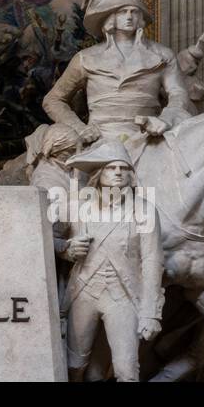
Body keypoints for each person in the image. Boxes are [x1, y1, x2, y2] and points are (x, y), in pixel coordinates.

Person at [42, 0, 190, 162]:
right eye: (122, 11)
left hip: (149, 140)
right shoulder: (85, 58)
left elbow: (179, 93)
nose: (129, 17)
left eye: (133, 11)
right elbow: (53, 100)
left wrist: (166, 119)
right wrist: (79, 128)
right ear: (109, 15)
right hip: (100, 142)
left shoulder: (163, 55)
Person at [60, 139, 163, 382]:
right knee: (74, 365)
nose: (118, 172)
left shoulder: (145, 210)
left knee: (127, 371)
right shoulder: (80, 208)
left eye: (124, 168)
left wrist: (150, 312)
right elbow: (49, 241)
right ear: (99, 172)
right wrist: (68, 250)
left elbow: (152, 261)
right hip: (84, 291)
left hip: (123, 295)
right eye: (111, 167)